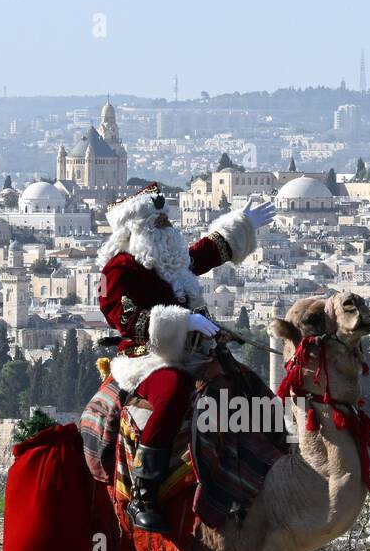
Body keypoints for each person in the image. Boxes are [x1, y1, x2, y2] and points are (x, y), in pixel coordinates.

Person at [97, 183, 275, 532]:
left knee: (247, 384)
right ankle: (143, 493)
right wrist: (182, 322)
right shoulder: (119, 269)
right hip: (148, 358)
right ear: (134, 225)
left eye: (165, 217)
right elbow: (125, 319)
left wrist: (243, 224)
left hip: (194, 350)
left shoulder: (169, 257)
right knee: (173, 390)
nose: (165, 224)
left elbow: (203, 253)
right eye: (155, 219)